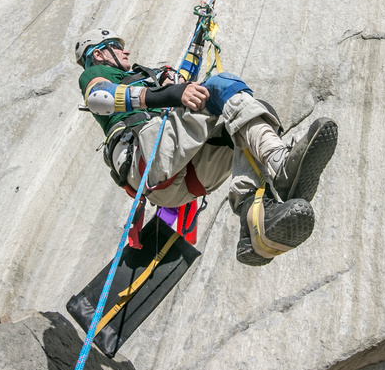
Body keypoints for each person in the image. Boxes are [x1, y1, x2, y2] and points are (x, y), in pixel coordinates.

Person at [75, 28, 337, 266]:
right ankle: (280, 166)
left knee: (246, 125)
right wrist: (170, 94)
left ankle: (254, 218)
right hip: (147, 158)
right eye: (116, 46)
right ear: (99, 53)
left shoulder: (146, 75)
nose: (126, 50)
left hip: (178, 179)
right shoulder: (98, 73)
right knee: (218, 86)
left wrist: (196, 44)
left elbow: (185, 89)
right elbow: (99, 97)